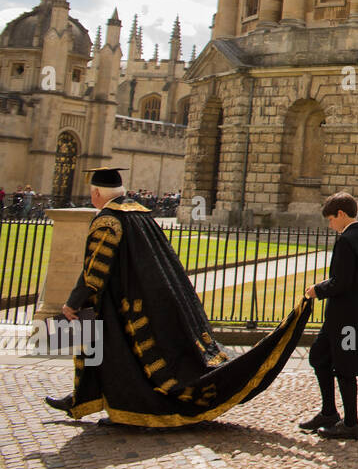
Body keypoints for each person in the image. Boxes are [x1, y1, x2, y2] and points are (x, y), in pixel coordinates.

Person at [43, 167, 310, 425]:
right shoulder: (140, 212)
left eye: (92, 193)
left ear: (97, 194)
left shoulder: (107, 220)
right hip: (143, 299)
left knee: (117, 358)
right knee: (99, 350)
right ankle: (80, 398)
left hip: (122, 305)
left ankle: (109, 404)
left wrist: (73, 302)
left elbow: (94, 269)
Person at [300, 192, 358, 440]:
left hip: (346, 317)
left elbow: (341, 282)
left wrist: (317, 290)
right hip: (345, 316)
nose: (330, 225)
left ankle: (351, 424)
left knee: (345, 368)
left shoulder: (347, 240)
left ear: (341, 214)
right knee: (319, 357)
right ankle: (329, 412)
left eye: (331, 219)